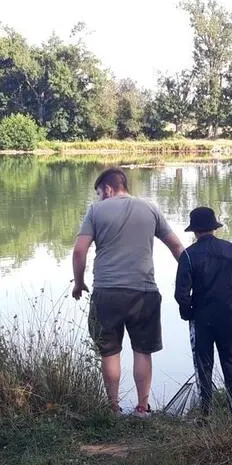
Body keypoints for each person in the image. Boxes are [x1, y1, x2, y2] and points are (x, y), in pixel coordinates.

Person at [71, 168, 184, 416]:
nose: (100, 198)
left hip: (107, 292)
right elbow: (176, 246)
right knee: (142, 350)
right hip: (144, 292)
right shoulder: (151, 208)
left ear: (108, 189)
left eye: (100, 193)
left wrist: (78, 283)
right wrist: (192, 279)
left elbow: (80, 251)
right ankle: (143, 408)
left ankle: (113, 408)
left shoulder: (95, 211)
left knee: (110, 351)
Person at [174, 206, 232, 416]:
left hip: (202, 318)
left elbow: (181, 294)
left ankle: (206, 412)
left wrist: (188, 312)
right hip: (227, 316)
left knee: (203, 364)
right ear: (214, 227)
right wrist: (230, 302)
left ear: (195, 231)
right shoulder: (231, 249)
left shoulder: (188, 255)